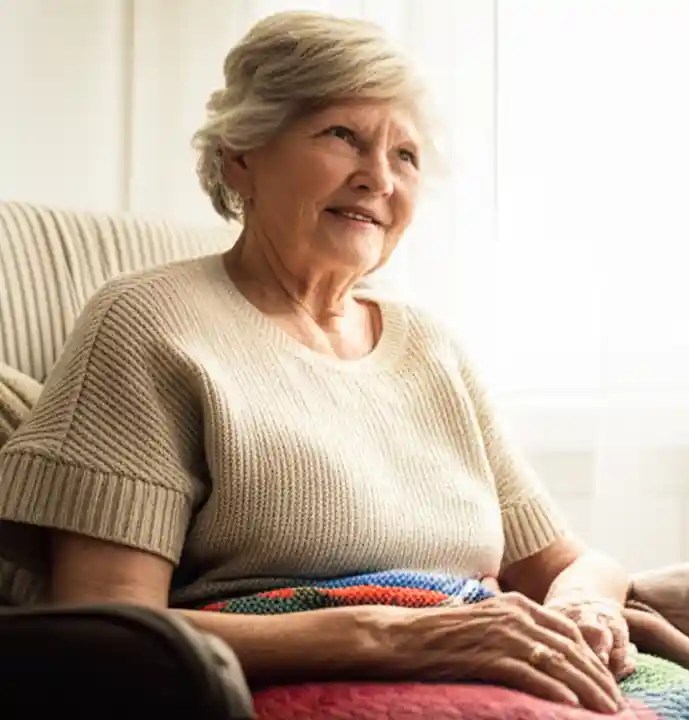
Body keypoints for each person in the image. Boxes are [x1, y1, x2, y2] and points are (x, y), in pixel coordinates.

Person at [0, 11, 642, 715]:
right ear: (241, 154)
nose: (378, 178)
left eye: (406, 156)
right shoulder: (147, 323)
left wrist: (587, 605)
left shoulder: (433, 348)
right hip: (305, 687)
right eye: (344, 136)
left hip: (482, 669)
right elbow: (109, 625)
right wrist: (397, 635)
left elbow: (572, 561)